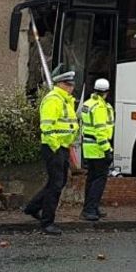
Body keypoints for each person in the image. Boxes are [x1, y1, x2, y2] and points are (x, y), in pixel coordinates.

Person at [23, 69, 79, 235]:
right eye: (68, 84)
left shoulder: (65, 100)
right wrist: (56, 147)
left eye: (72, 84)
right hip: (54, 147)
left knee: (58, 182)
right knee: (56, 184)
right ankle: (47, 222)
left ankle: (32, 207)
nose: (71, 87)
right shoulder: (53, 100)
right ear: (60, 84)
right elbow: (47, 126)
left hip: (62, 147)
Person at [80, 78, 115, 221]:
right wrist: (107, 150)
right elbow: (100, 131)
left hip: (89, 147)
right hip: (98, 148)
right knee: (99, 180)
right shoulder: (100, 107)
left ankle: (90, 207)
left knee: (91, 179)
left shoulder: (88, 103)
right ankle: (90, 209)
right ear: (106, 92)